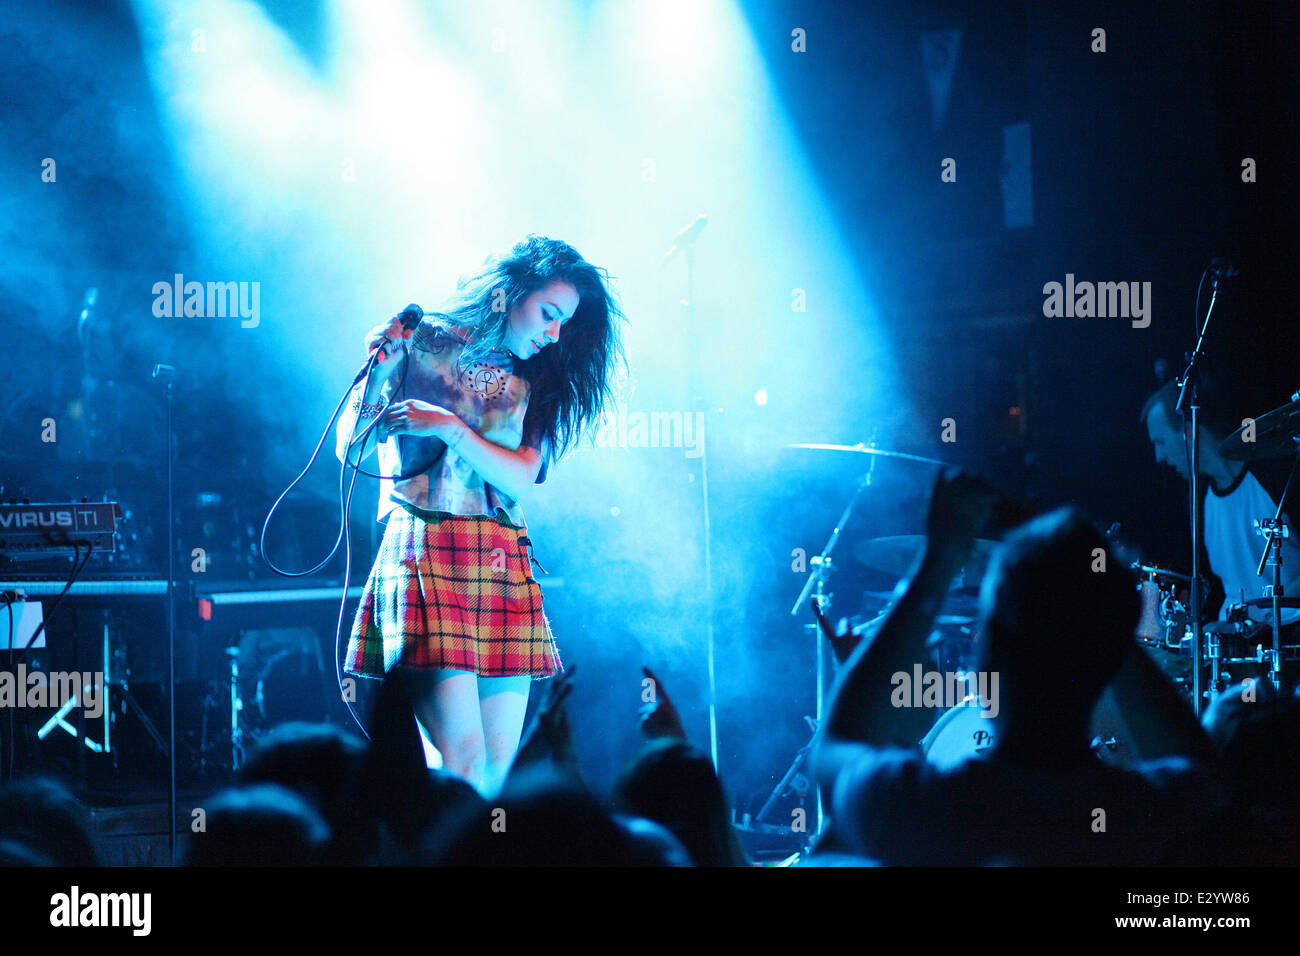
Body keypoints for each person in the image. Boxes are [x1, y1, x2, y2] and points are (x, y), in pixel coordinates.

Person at [335, 235, 625, 796]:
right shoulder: (424, 343)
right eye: (548, 313)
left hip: (498, 559)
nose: (553, 332)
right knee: (462, 766)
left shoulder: (540, 377)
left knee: (496, 777)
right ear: (512, 292)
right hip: (427, 547)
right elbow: (350, 449)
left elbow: (518, 475)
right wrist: (376, 376)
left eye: (564, 321)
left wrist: (449, 427)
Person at [815, 470, 1222, 865]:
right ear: (1108, 660)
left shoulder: (922, 810)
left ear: (984, 657)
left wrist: (938, 562)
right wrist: (1100, 614)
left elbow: (834, 749)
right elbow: (1204, 771)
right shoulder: (1150, 816)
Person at [1141, 380, 1300, 630]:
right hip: (1233, 654)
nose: (1159, 457)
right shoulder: (1196, 504)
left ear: (1189, 431)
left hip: (1287, 643)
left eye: (1160, 441)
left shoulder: (1276, 478)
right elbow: (1204, 587)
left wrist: (1259, 627)